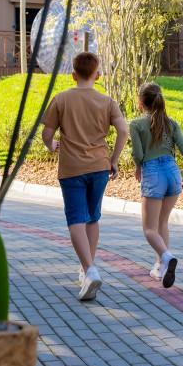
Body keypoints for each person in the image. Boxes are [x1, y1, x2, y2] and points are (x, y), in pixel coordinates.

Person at [41, 52, 128, 301]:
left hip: (71, 168)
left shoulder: (61, 99)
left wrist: (52, 145)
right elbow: (123, 131)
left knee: (76, 219)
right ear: (97, 74)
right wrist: (113, 160)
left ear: (73, 74)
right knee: (93, 218)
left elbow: (47, 134)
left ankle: (89, 270)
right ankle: (87, 267)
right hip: (100, 166)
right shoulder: (107, 101)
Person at [130, 82, 183, 288]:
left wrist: (138, 167)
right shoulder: (172, 123)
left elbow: (139, 154)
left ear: (141, 102)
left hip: (153, 173)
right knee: (162, 222)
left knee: (149, 229)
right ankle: (160, 267)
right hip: (172, 173)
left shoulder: (136, 125)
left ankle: (167, 258)